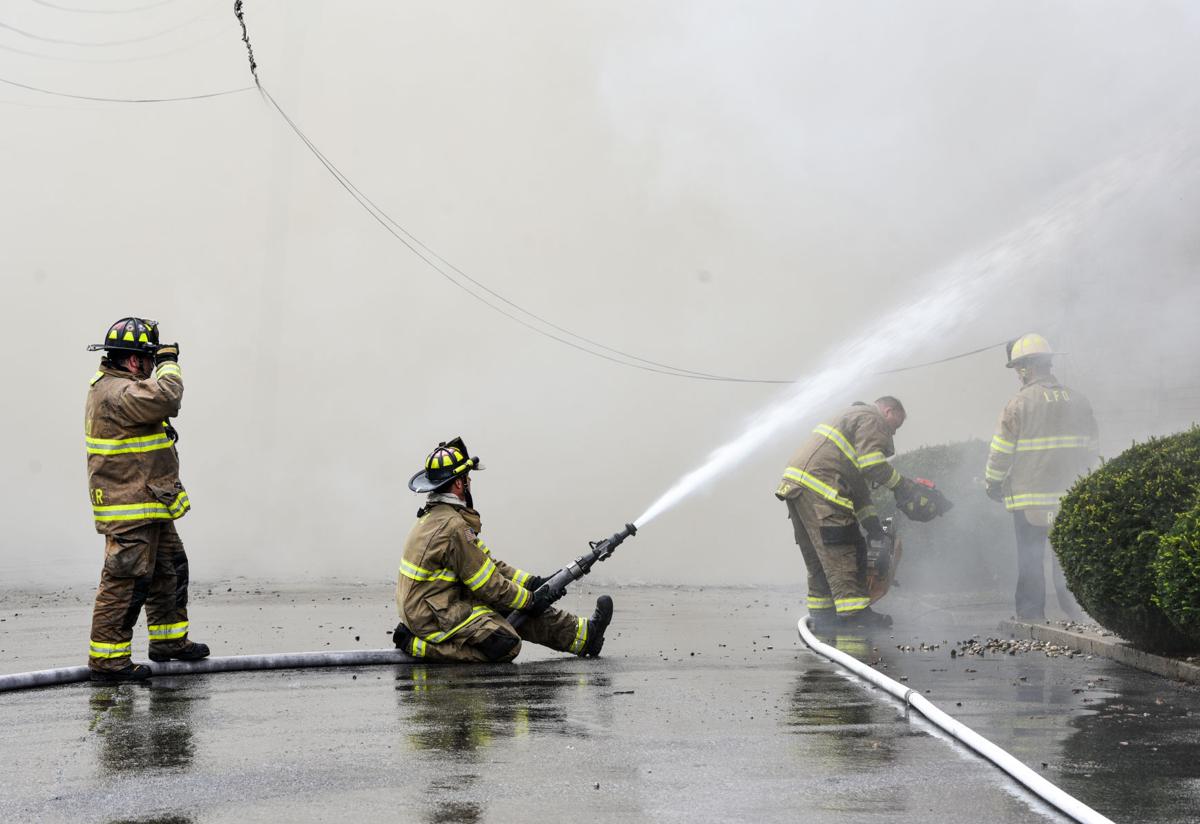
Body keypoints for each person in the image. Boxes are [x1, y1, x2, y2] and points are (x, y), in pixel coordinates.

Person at [393, 437, 613, 662]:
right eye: (467, 478)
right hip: (433, 615)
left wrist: (533, 584)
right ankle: (419, 646)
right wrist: (530, 600)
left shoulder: (440, 516)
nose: (470, 482)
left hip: (437, 603)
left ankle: (586, 636)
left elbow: (487, 566)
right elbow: (488, 584)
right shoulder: (453, 527)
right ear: (459, 484)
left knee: (514, 602)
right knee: (505, 643)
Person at [84, 317, 209, 683]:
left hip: (150, 500)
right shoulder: (118, 392)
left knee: (170, 568)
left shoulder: (119, 388)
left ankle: (169, 643)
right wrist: (171, 362)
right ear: (136, 361)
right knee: (126, 581)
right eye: (151, 360)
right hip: (131, 507)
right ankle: (108, 662)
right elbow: (168, 397)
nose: (153, 367)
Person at [776, 397, 937, 629]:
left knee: (819, 558)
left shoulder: (851, 423)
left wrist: (871, 524)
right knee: (844, 549)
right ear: (888, 411)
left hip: (797, 488)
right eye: (895, 426)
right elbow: (872, 465)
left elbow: (858, 487)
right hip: (822, 487)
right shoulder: (873, 418)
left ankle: (823, 616)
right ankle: (855, 615)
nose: (892, 432)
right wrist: (902, 485)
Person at [985, 333, 1097, 621]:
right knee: (1067, 557)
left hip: (1030, 500)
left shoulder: (1019, 404)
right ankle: (1079, 612)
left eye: (1018, 369)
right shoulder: (1079, 400)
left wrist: (992, 483)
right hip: (1070, 497)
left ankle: (1031, 615)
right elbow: (1091, 449)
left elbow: (1001, 452)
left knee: (1031, 558)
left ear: (1026, 368)